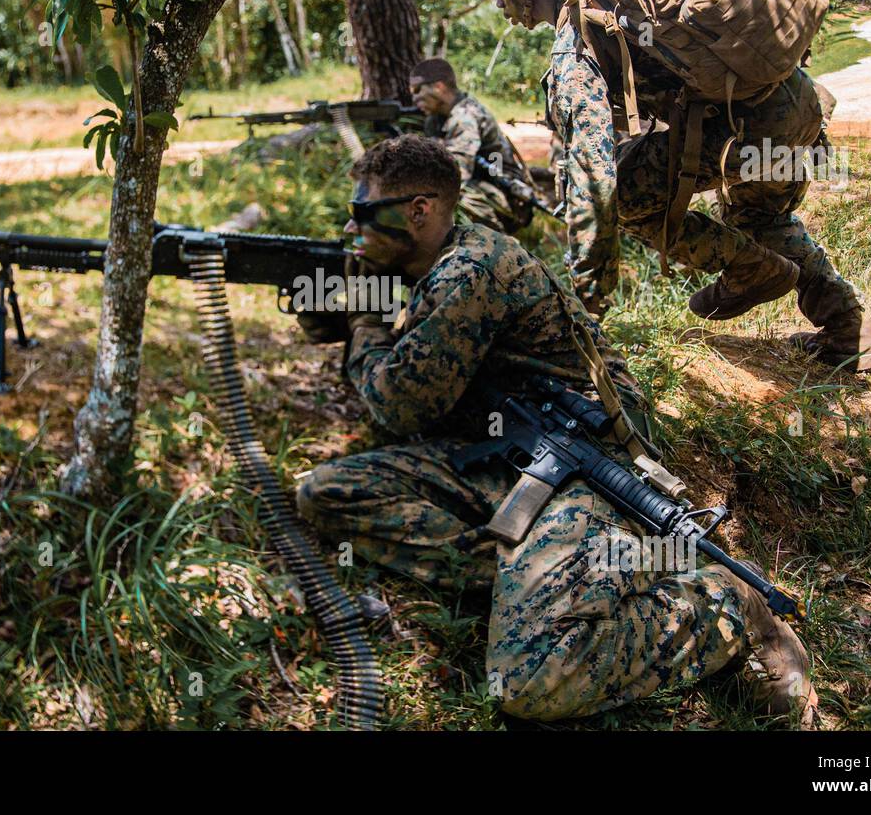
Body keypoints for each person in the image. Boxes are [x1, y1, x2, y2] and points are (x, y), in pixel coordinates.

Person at [296, 134, 817, 725]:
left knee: (531, 680)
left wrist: (361, 318)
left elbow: (397, 405)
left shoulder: (472, 270)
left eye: (363, 212)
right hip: (505, 455)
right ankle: (532, 578)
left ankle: (727, 603)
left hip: (578, 467)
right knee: (326, 492)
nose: (350, 226)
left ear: (419, 210)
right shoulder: (438, 269)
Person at [471, 0, 871, 371]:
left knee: (624, 197)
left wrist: (587, 304)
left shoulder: (576, 44)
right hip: (796, 108)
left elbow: (594, 181)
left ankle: (751, 268)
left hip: (741, 130)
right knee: (761, 216)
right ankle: (849, 331)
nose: (499, 5)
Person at [409, 57, 535, 235]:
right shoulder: (436, 118)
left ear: (439, 87)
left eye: (417, 90)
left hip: (507, 195)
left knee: (453, 192)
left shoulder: (465, 117)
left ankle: (496, 245)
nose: (414, 98)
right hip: (484, 187)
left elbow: (457, 175)